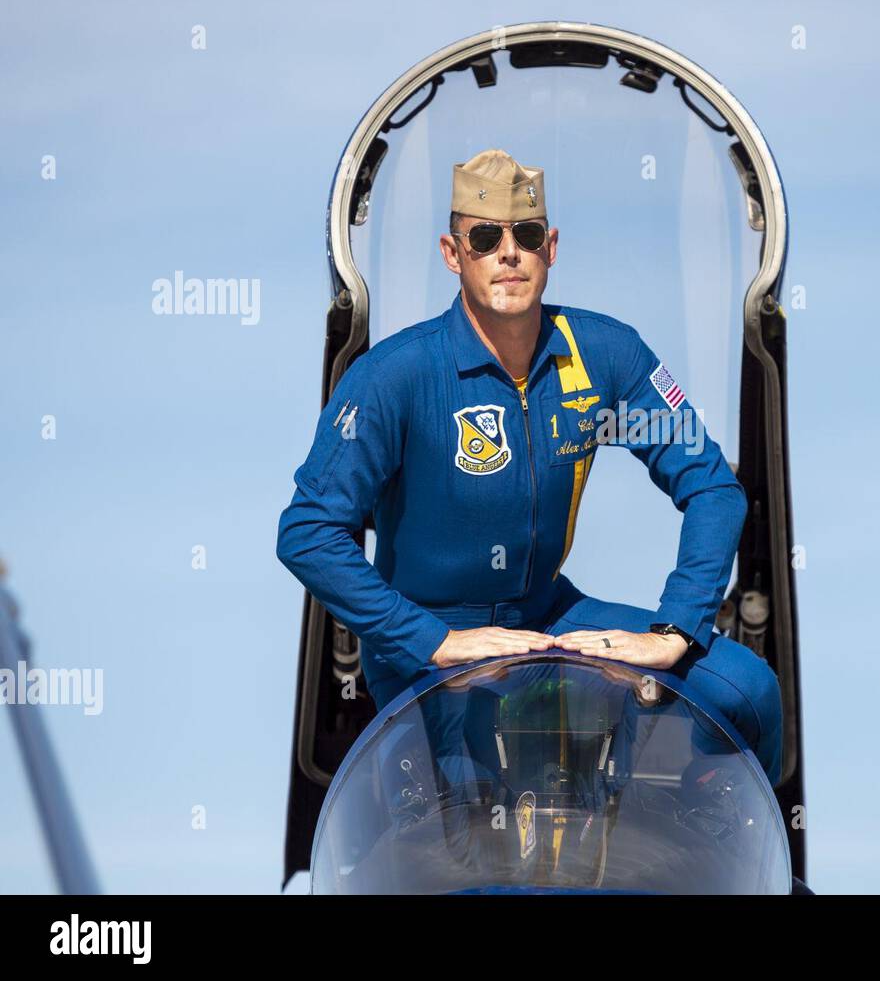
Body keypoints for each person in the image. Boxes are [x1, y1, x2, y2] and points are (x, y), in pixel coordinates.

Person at [275, 148, 781, 785]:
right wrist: (432, 641)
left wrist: (674, 629)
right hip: (424, 646)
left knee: (749, 693)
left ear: (552, 247)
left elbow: (712, 487)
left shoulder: (603, 357)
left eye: (528, 235)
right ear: (452, 253)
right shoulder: (395, 378)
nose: (508, 253)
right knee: (470, 826)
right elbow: (308, 534)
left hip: (547, 621)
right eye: (485, 238)